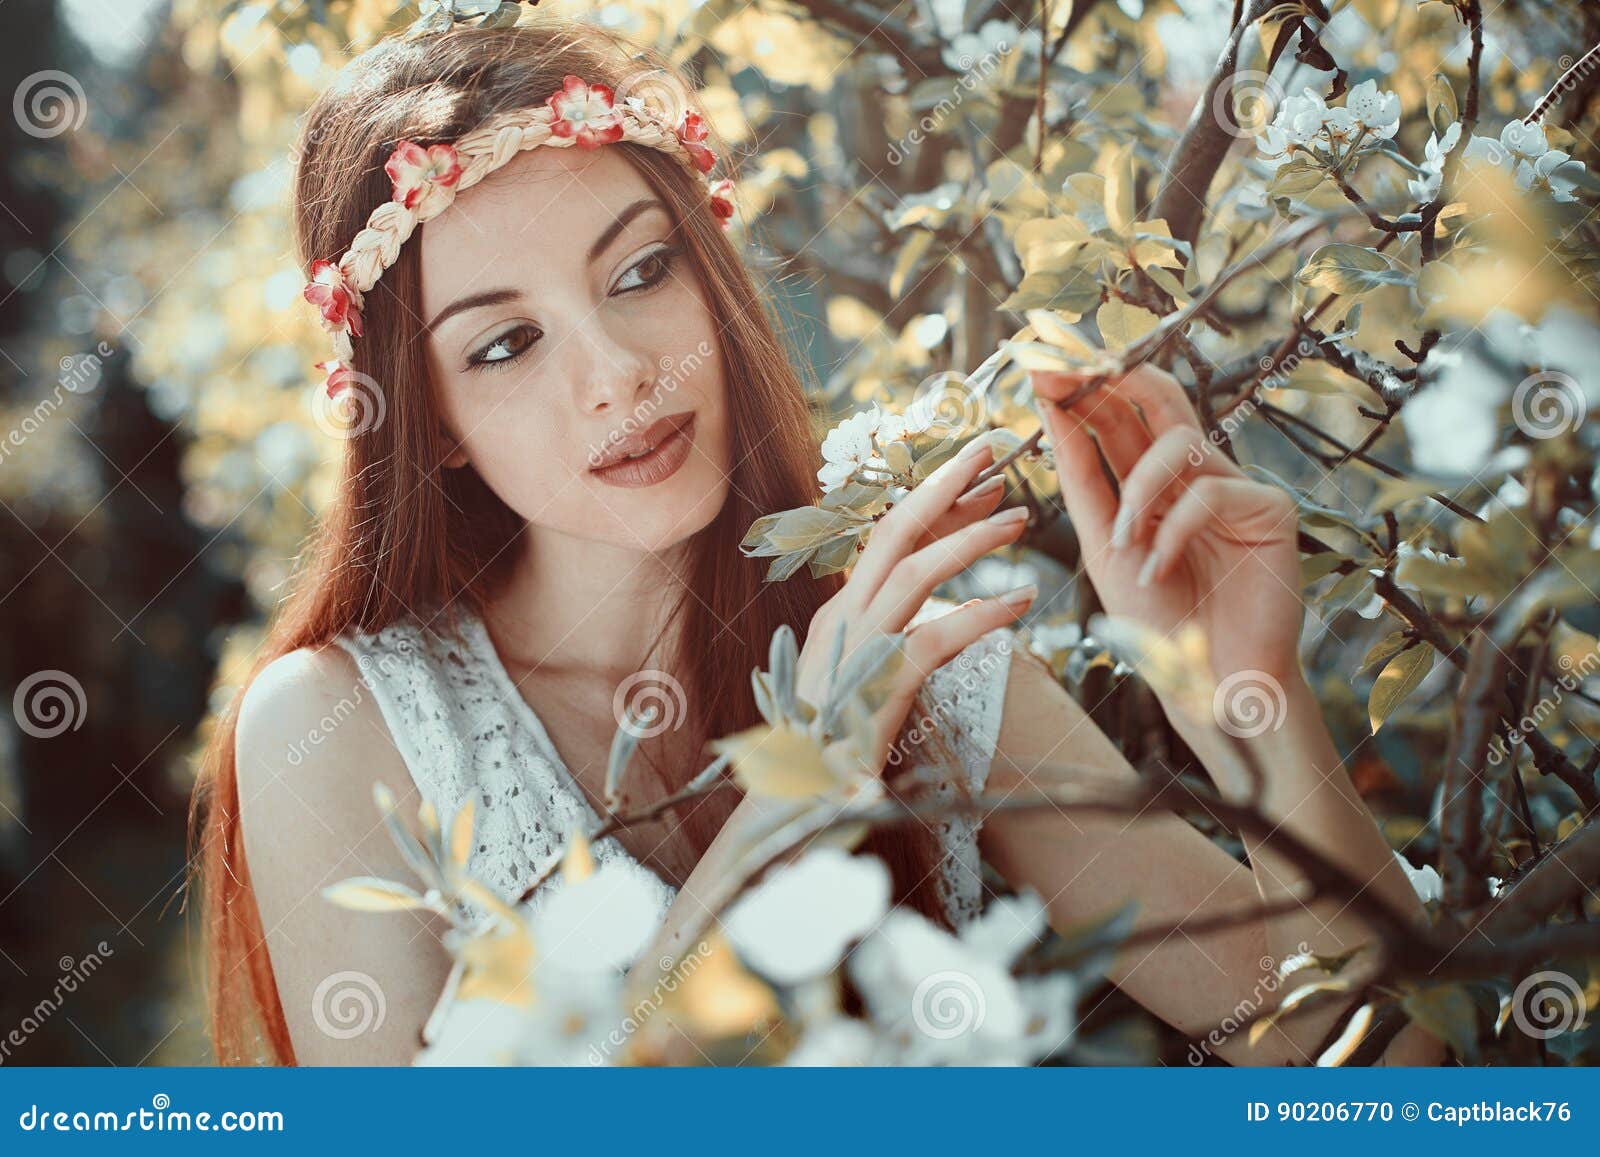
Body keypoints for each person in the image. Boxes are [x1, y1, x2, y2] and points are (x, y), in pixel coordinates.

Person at [188, 16, 1444, 1067]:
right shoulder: (343, 728)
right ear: (434, 422)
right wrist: (800, 784)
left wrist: (1251, 694)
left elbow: (1376, 1066)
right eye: (504, 344)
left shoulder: (919, 656)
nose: (619, 375)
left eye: (638, 275)